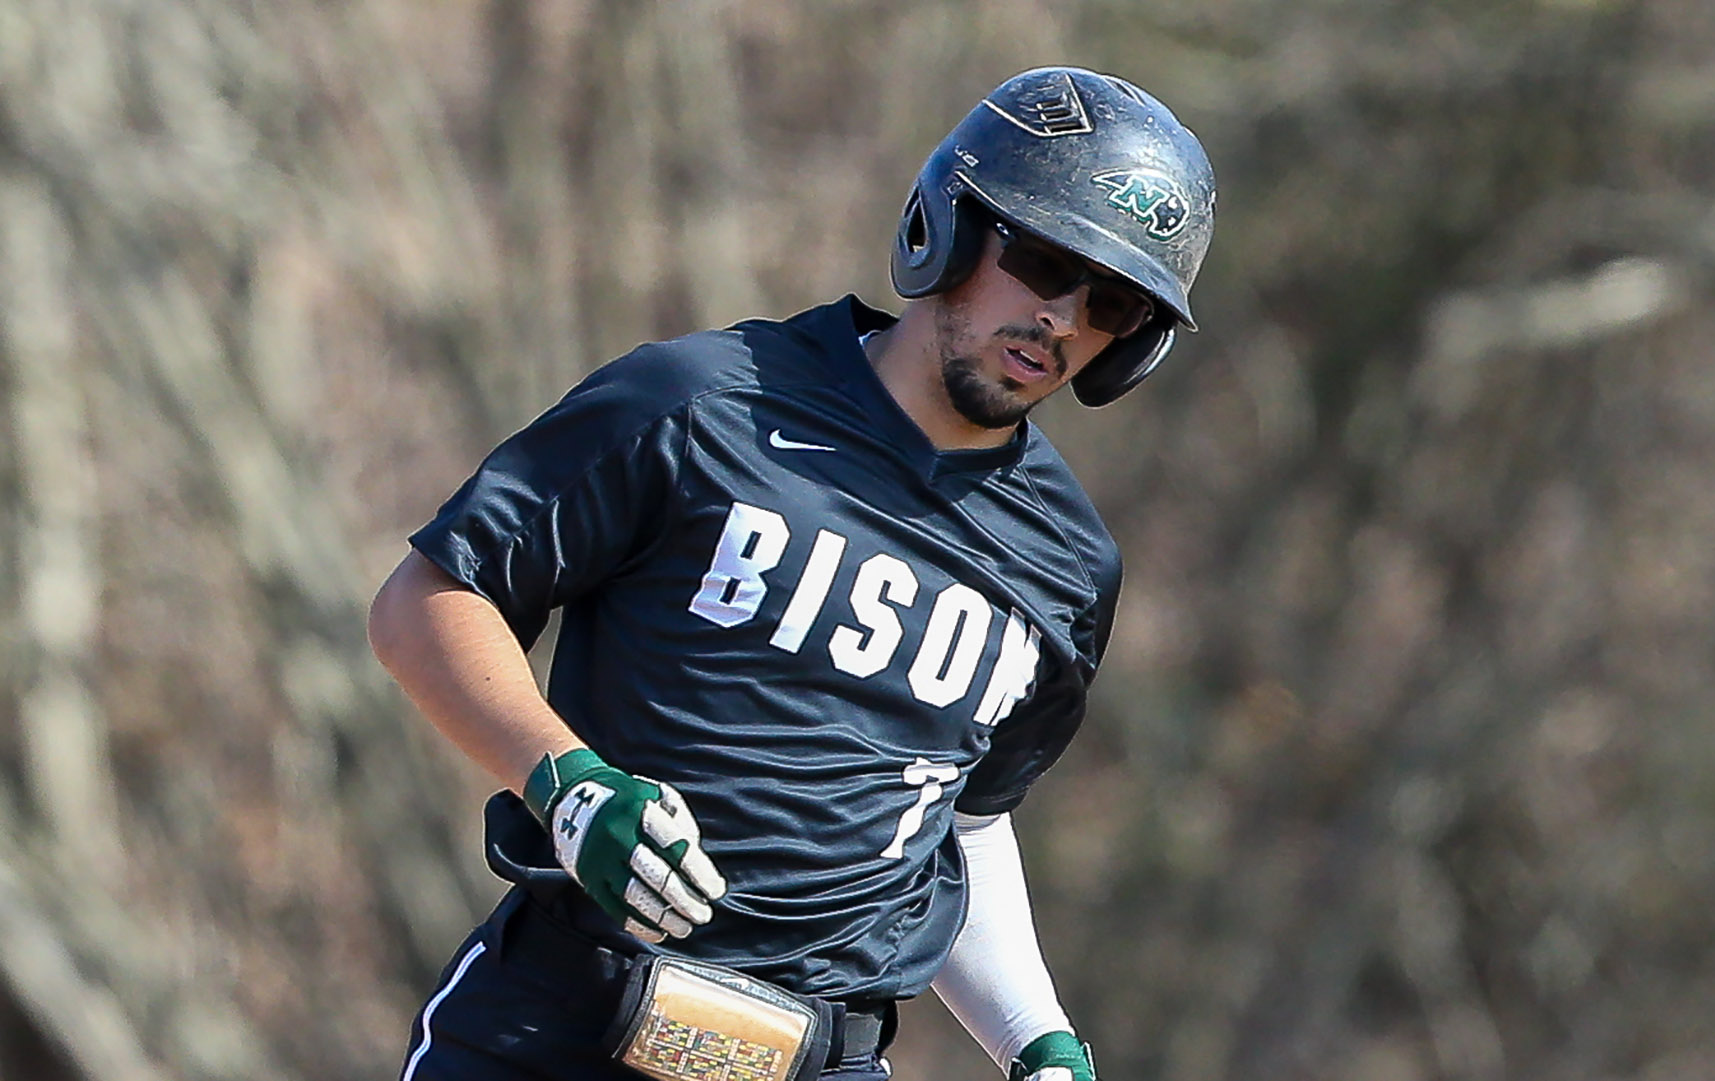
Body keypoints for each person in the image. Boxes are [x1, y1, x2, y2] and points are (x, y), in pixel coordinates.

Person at [368, 65, 1215, 1081]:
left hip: (817, 1053)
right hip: (558, 1029)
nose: (1065, 319)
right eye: (1041, 261)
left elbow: (967, 821)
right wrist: (567, 782)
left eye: (1114, 303)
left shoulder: (1069, 568)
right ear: (948, 224)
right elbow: (429, 599)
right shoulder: (700, 405)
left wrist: (1036, 1039)